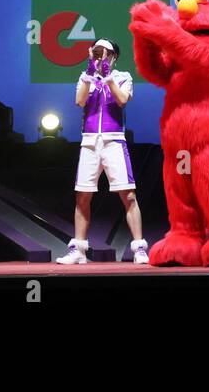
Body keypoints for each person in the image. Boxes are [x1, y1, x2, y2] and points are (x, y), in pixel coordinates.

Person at [55, 39, 149, 265]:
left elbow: (122, 100)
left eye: (105, 53)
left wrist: (107, 77)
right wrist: (90, 74)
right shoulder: (85, 77)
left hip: (114, 142)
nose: (100, 57)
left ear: (114, 56)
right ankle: (78, 249)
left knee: (128, 195)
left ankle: (139, 249)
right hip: (89, 143)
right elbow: (79, 101)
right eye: (97, 52)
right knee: (83, 196)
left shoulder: (123, 76)